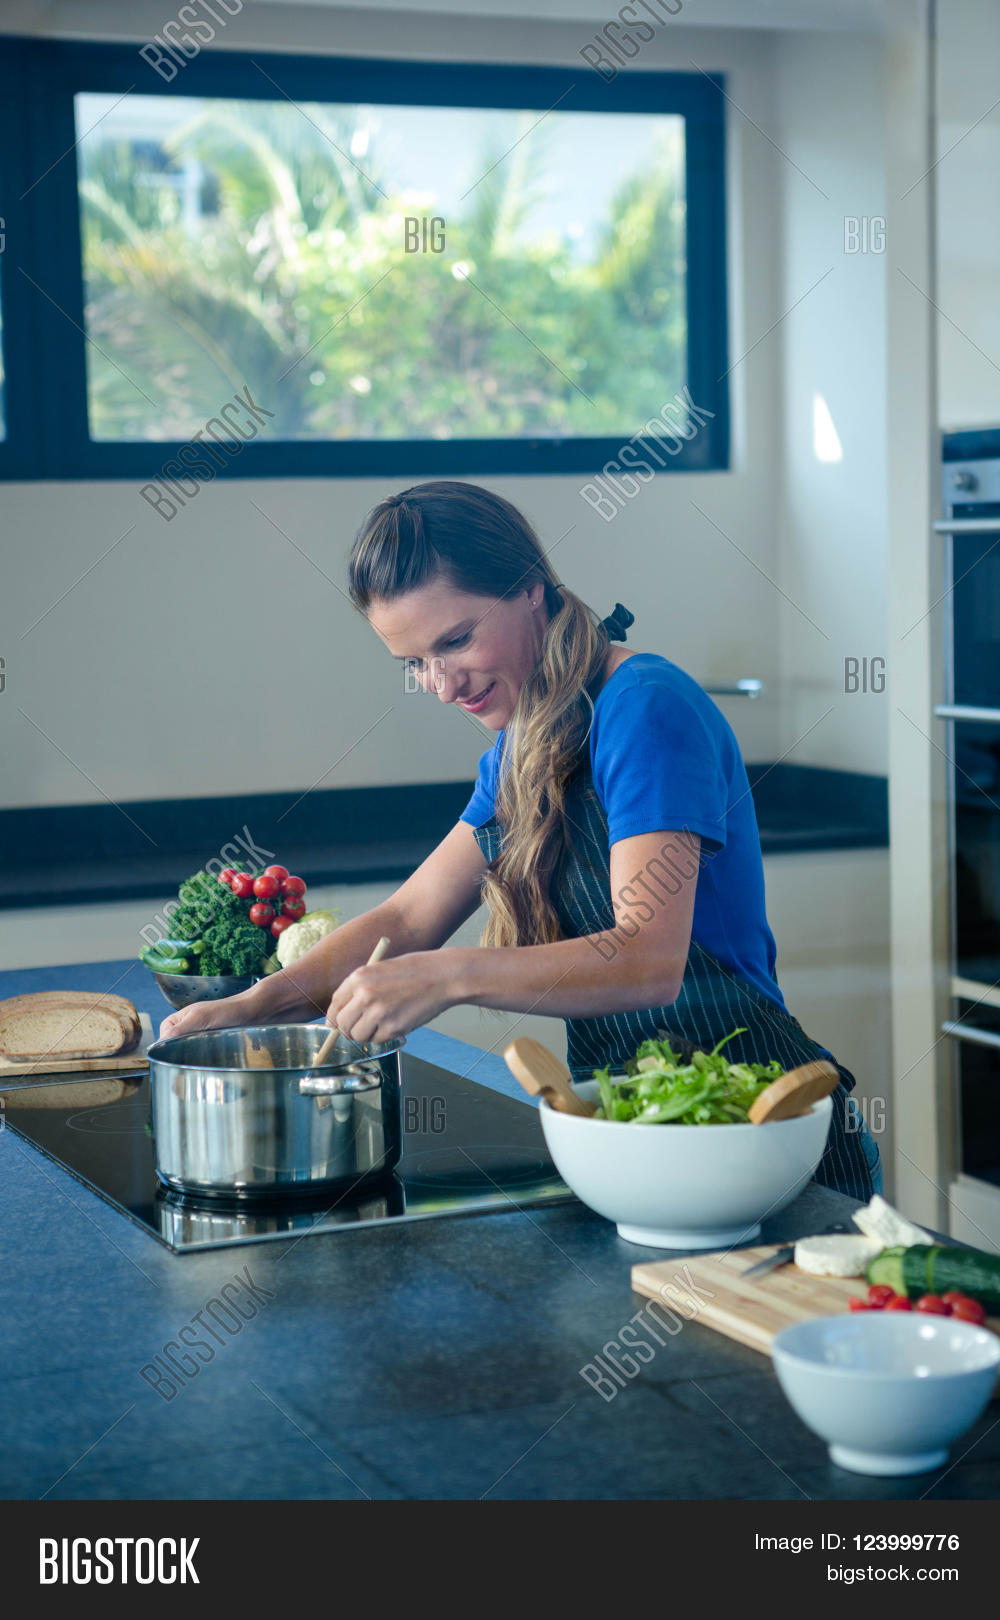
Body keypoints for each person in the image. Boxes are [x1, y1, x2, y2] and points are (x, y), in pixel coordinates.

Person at [160, 480, 882, 1199]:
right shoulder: (520, 748)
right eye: (414, 663)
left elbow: (649, 958)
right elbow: (410, 919)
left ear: (532, 590)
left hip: (761, 1131)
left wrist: (447, 977)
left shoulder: (644, 709)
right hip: (638, 1132)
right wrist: (256, 1007)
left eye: (455, 640)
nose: (441, 685)